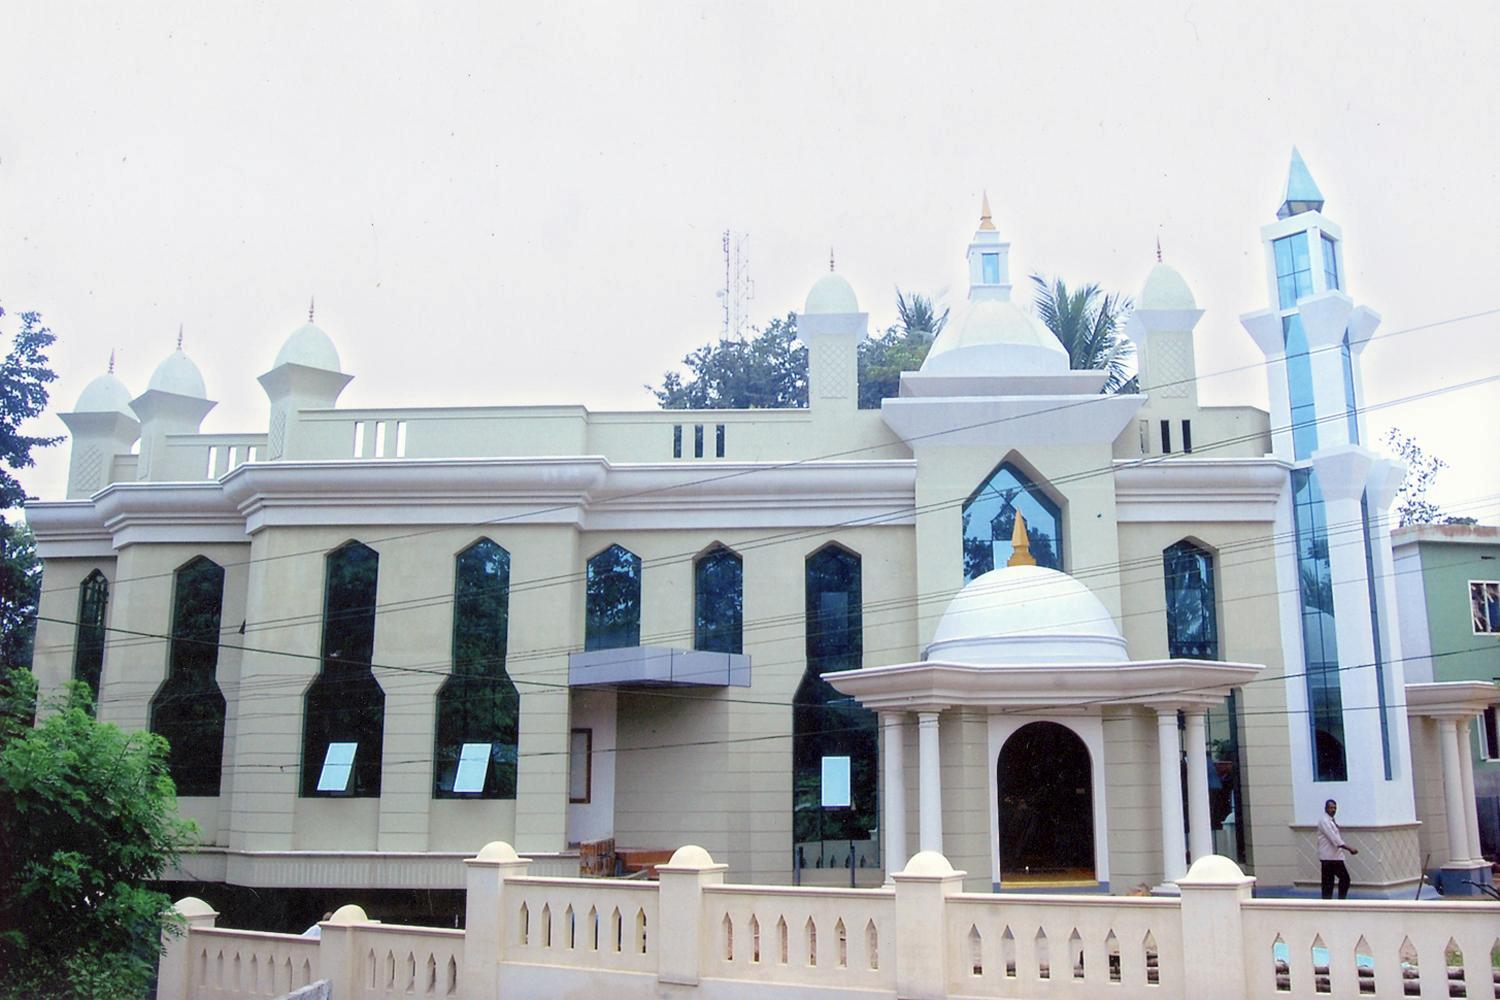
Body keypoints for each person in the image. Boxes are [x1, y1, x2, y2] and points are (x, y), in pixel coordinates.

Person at [1317, 799, 1358, 899]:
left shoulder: (1331, 820)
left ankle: (1337, 901)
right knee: (1341, 879)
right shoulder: (1324, 821)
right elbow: (1334, 839)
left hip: (1334, 856)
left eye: (1335, 808)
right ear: (1326, 808)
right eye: (1331, 808)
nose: (1333, 810)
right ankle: (1336, 901)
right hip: (1329, 858)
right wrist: (1349, 848)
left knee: (1332, 881)